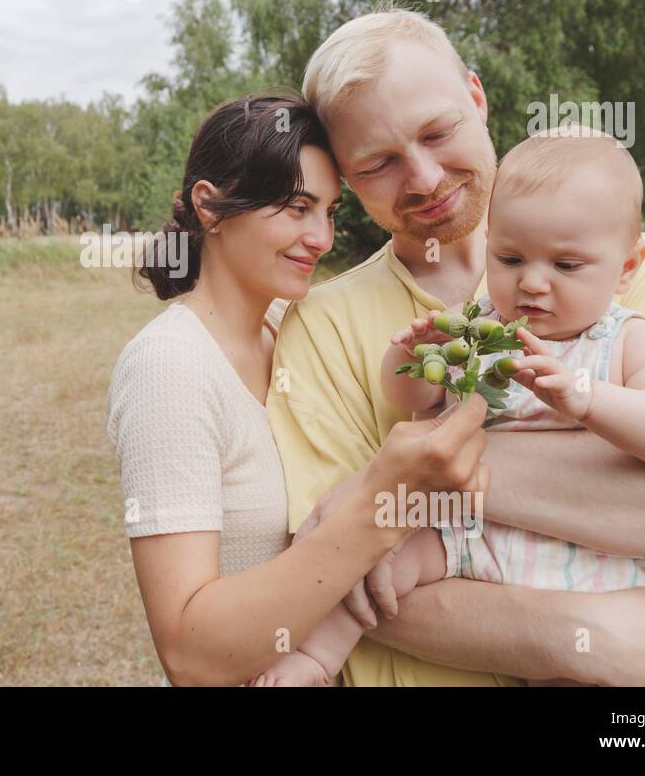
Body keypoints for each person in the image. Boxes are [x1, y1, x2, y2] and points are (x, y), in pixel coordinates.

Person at [271, 3, 645, 686]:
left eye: (437, 131)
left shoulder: (629, 270)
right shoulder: (324, 324)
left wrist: (409, 478)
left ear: (476, 98)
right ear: (346, 177)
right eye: (379, 162)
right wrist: (584, 636)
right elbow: (328, 569)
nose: (422, 178)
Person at [255, 129, 645, 686]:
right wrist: (411, 353)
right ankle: (315, 658)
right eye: (510, 257)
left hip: (597, 558)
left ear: (627, 267)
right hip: (473, 539)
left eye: (567, 266)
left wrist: (588, 397)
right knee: (381, 560)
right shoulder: (480, 328)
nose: (532, 282)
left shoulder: (628, 340)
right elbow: (409, 398)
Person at [107, 92, 490, 686]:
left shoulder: (286, 334)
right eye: (295, 206)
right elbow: (188, 652)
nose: (321, 236)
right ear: (210, 208)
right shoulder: (170, 365)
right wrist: (384, 501)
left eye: (330, 211)